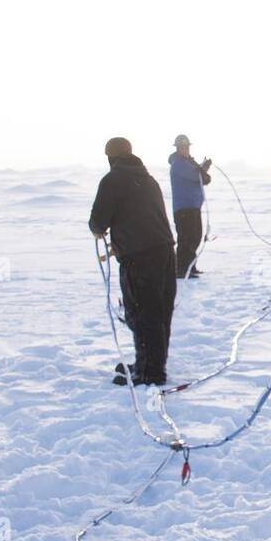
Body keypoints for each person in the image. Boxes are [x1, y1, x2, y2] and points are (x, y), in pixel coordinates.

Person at [88, 137, 176, 386]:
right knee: (159, 312)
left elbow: (98, 221)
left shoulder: (113, 180)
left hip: (140, 256)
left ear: (110, 157)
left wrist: (98, 230)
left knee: (142, 312)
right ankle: (149, 364)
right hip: (165, 251)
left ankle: (150, 373)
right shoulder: (147, 179)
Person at [168, 133, 212, 278]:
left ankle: (190, 267)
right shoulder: (178, 164)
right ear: (177, 148)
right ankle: (181, 269)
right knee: (187, 238)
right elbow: (195, 176)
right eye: (182, 147)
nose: (185, 149)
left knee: (195, 237)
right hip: (184, 208)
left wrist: (202, 168)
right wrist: (203, 168)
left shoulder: (187, 163)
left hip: (193, 207)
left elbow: (198, 174)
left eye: (186, 147)